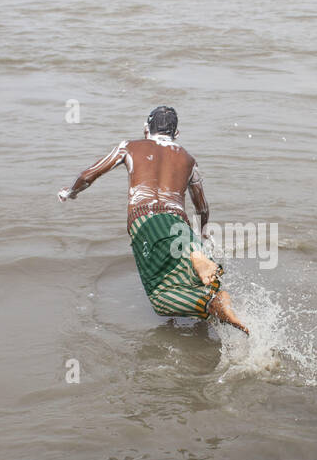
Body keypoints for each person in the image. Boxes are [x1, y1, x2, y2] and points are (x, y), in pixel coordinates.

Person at [58, 106, 249, 334]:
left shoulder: (129, 147)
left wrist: (70, 192)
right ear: (176, 134)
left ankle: (210, 303)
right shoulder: (188, 159)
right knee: (196, 280)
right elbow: (202, 206)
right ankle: (203, 277)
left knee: (159, 296)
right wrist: (204, 231)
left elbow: (89, 175)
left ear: (146, 129)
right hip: (178, 223)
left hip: (146, 219)